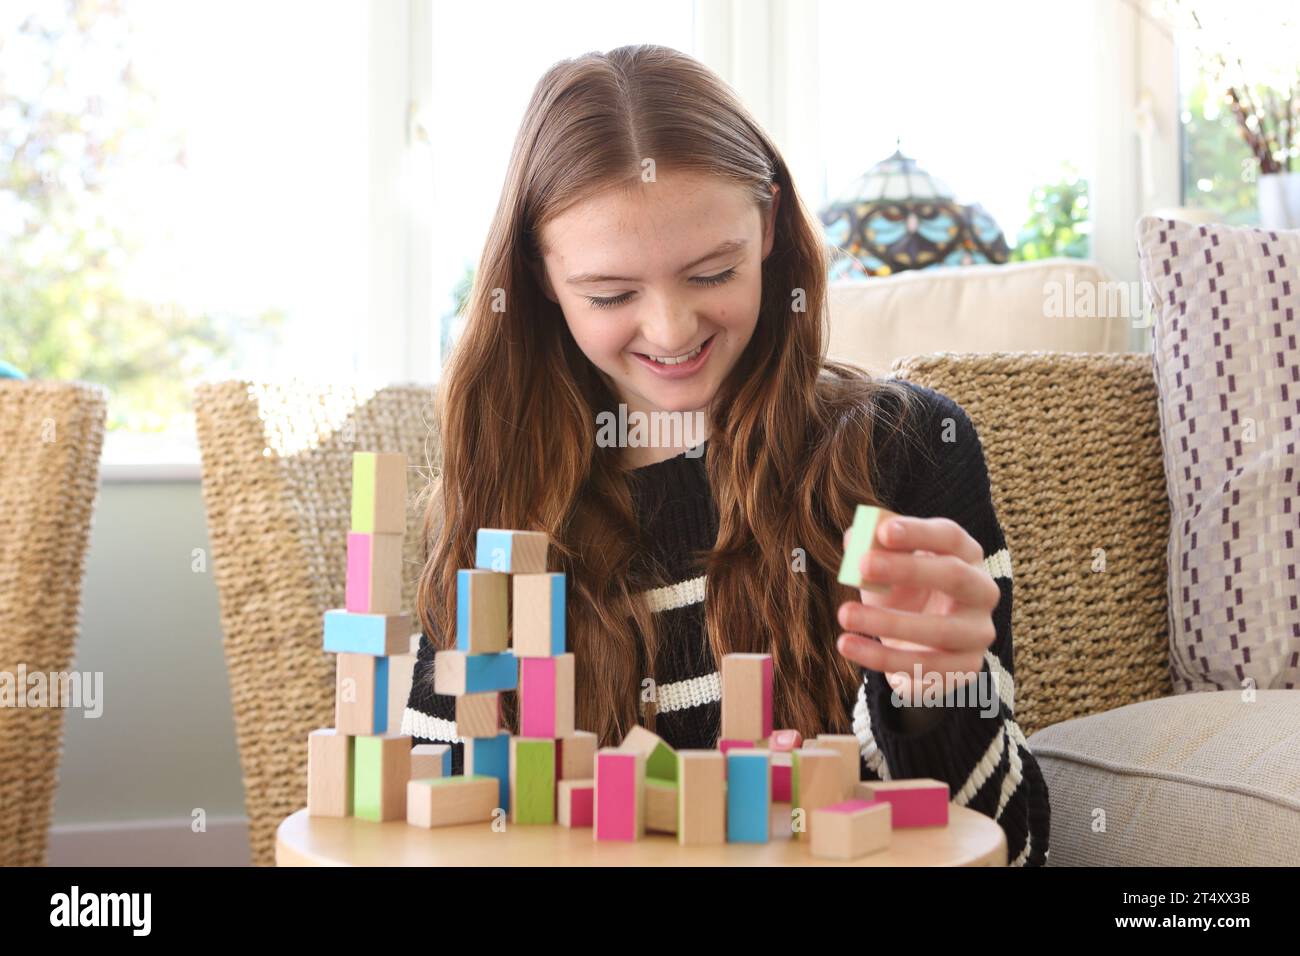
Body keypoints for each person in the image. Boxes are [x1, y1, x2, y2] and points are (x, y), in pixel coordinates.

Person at [404, 44, 1049, 866]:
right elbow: (438, 827)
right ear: (540, 276)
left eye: (713, 273)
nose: (672, 331)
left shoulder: (901, 454)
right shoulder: (502, 511)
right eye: (611, 294)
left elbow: (1016, 850)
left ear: (770, 226)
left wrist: (935, 698)